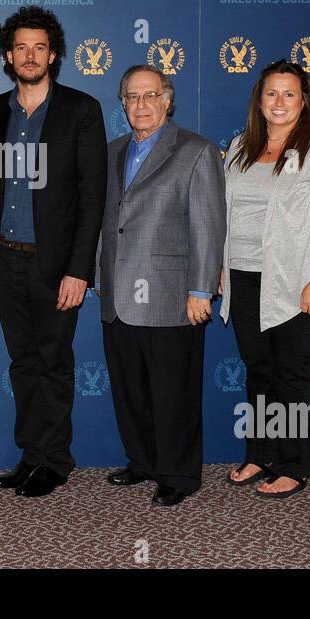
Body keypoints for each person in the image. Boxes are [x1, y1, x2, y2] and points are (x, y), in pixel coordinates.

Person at [0, 5, 107, 498]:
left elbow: (92, 197)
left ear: (53, 54)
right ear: (8, 56)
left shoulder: (81, 110)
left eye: (39, 47)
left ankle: (54, 461)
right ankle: (30, 454)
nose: (29, 56)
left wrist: (80, 271)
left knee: (53, 361)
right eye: (20, 48)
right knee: (22, 362)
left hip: (56, 264)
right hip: (6, 259)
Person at [220, 60, 310, 499]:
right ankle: (260, 453)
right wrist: (221, 268)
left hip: (295, 280)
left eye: (289, 94)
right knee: (259, 372)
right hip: (243, 277)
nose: (279, 102)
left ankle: (294, 464)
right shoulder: (240, 146)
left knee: (291, 374)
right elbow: (227, 213)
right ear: (259, 100)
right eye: (271, 93)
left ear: (304, 100)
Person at [97, 65, 224, 507]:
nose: (141, 105)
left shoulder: (197, 151)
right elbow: (109, 224)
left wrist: (202, 290)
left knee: (174, 391)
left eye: (150, 95)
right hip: (118, 294)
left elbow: (208, 226)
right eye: (132, 97)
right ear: (123, 104)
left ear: (168, 99)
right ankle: (144, 461)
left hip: (172, 295)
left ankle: (178, 475)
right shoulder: (112, 151)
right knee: (130, 388)